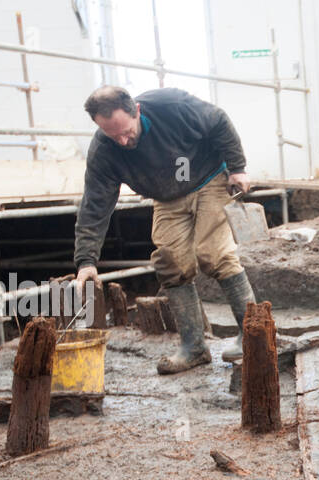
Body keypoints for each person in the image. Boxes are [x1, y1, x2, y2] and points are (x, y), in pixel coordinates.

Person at [73, 85, 257, 374]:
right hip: (167, 196)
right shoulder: (104, 150)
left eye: (126, 131)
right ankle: (194, 347)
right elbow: (95, 204)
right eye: (112, 135)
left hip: (209, 178)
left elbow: (218, 120)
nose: (122, 141)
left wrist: (238, 167)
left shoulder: (171, 106)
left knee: (213, 254)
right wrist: (86, 260)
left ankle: (255, 337)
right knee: (171, 261)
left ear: (136, 110)